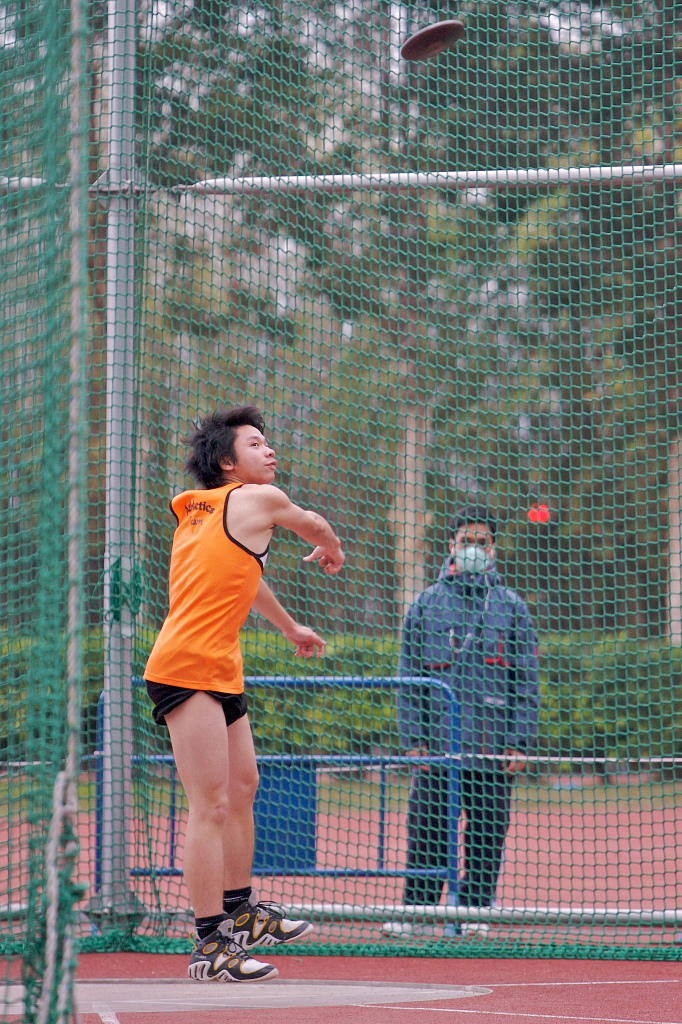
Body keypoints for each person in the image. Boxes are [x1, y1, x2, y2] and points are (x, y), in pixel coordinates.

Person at [144, 406, 345, 982]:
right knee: (209, 804)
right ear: (229, 463)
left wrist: (289, 628)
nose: (270, 450)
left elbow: (241, 576)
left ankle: (240, 910)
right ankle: (210, 944)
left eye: (269, 442)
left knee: (243, 787)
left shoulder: (204, 513)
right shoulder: (257, 499)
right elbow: (315, 524)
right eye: (256, 444)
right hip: (187, 667)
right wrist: (333, 550)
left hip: (219, 667)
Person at [383, 505, 539, 938]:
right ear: (451, 546)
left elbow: (526, 681)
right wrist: (413, 740)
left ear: (494, 549)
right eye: (466, 541)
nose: (474, 549)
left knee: (487, 836)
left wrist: (520, 742)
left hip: (492, 750)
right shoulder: (426, 605)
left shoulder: (512, 608)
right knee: (428, 831)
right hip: (437, 751)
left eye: (482, 542)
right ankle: (417, 911)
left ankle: (475, 911)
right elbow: (409, 678)